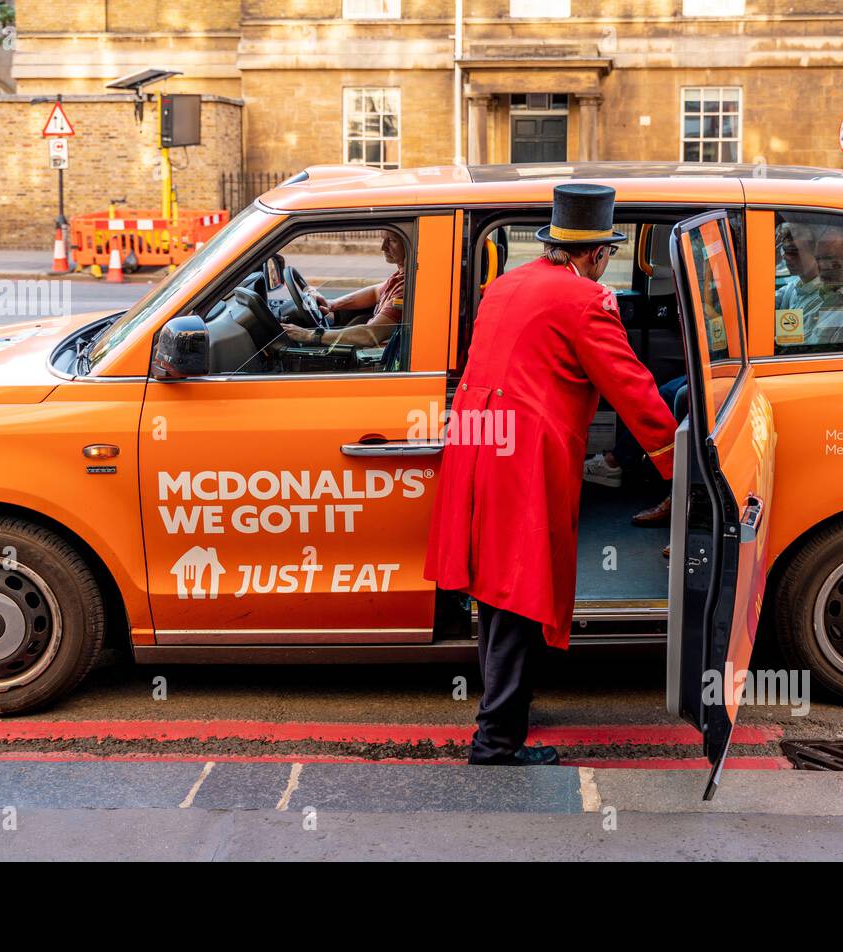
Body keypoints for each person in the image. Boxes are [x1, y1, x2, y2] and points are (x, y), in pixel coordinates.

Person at [425, 183, 679, 767]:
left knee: (493, 588)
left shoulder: (506, 285)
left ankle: (500, 711)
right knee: (516, 590)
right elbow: (633, 390)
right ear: (596, 253)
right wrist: (678, 463)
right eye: (608, 252)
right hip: (523, 462)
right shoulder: (588, 301)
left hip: (478, 448)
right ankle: (496, 741)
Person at [280, 230, 405, 348]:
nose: (383, 247)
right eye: (383, 239)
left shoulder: (405, 290)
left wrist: (308, 335)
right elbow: (376, 292)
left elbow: (369, 335)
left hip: (380, 359)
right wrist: (332, 304)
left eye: (392, 240)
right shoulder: (401, 276)